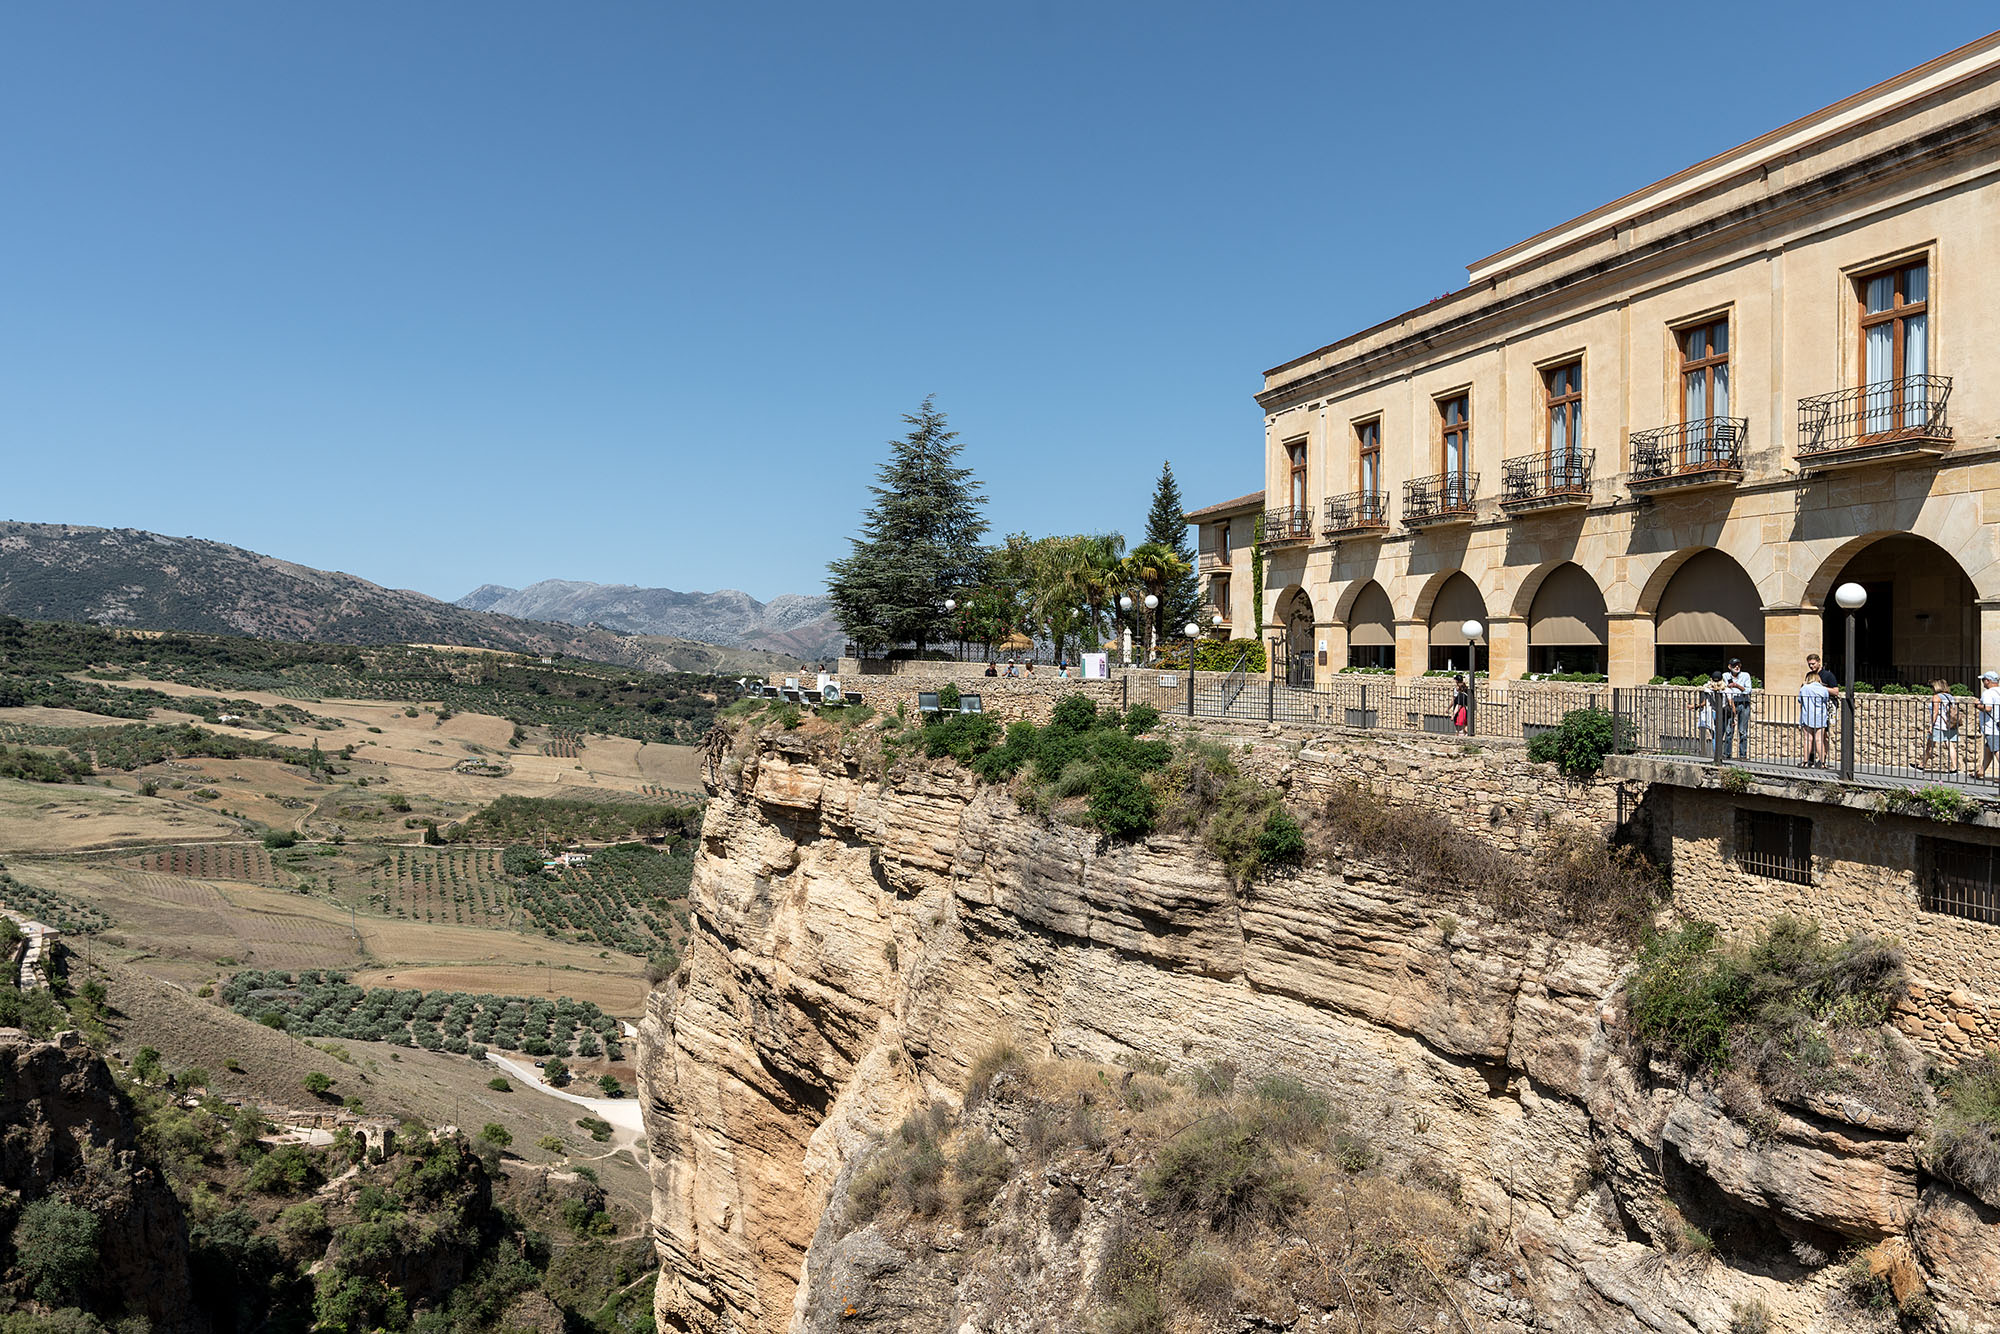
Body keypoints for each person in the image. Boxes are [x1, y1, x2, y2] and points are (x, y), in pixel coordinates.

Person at [1924, 678, 1962, 775]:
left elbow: (1935, 712)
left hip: (1939, 724)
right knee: (1950, 745)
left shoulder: (1937, 697)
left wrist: (1931, 725)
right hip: (1950, 724)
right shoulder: (1950, 697)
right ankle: (1954, 768)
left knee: (1930, 745)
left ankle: (1921, 765)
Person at [1798, 668, 1833, 767]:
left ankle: (1805, 761)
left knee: (1807, 739)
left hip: (1807, 715)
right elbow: (1825, 700)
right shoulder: (1823, 689)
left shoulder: (1804, 688)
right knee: (1819, 739)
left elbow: (1800, 700)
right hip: (1820, 716)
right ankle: (1822, 762)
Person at [1722, 657, 1755, 759]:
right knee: (1729, 730)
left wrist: (1737, 685)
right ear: (1729, 667)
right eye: (1734, 665)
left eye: (1738, 665)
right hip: (1731, 703)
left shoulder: (1745, 675)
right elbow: (1724, 688)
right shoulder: (1725, 675)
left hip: (1743, 703)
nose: (1737, 667)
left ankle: (1742, 755)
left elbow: (1748, 690)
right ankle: (1727, 754)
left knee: (1742, 731)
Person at [1691, 675, 1721, 752]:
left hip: (1713, 712)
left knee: (1714, 734)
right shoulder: (1723, 688)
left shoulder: (1708, 688)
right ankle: (1718, 753)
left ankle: (1716, 753)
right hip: (1718, 712)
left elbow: (1704, 703)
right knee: (1717, 734)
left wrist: (1695, 706)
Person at [1980, 671, 2000, 779]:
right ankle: (1981, 772)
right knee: (1989, 748)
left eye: (1983, 680)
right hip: (1997, 726)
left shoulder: (1988, 693)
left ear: (1988, 681)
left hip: (1991, 727)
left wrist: (1977, 705)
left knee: (1996, 750)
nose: (1982, 682)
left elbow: (1988, 708)